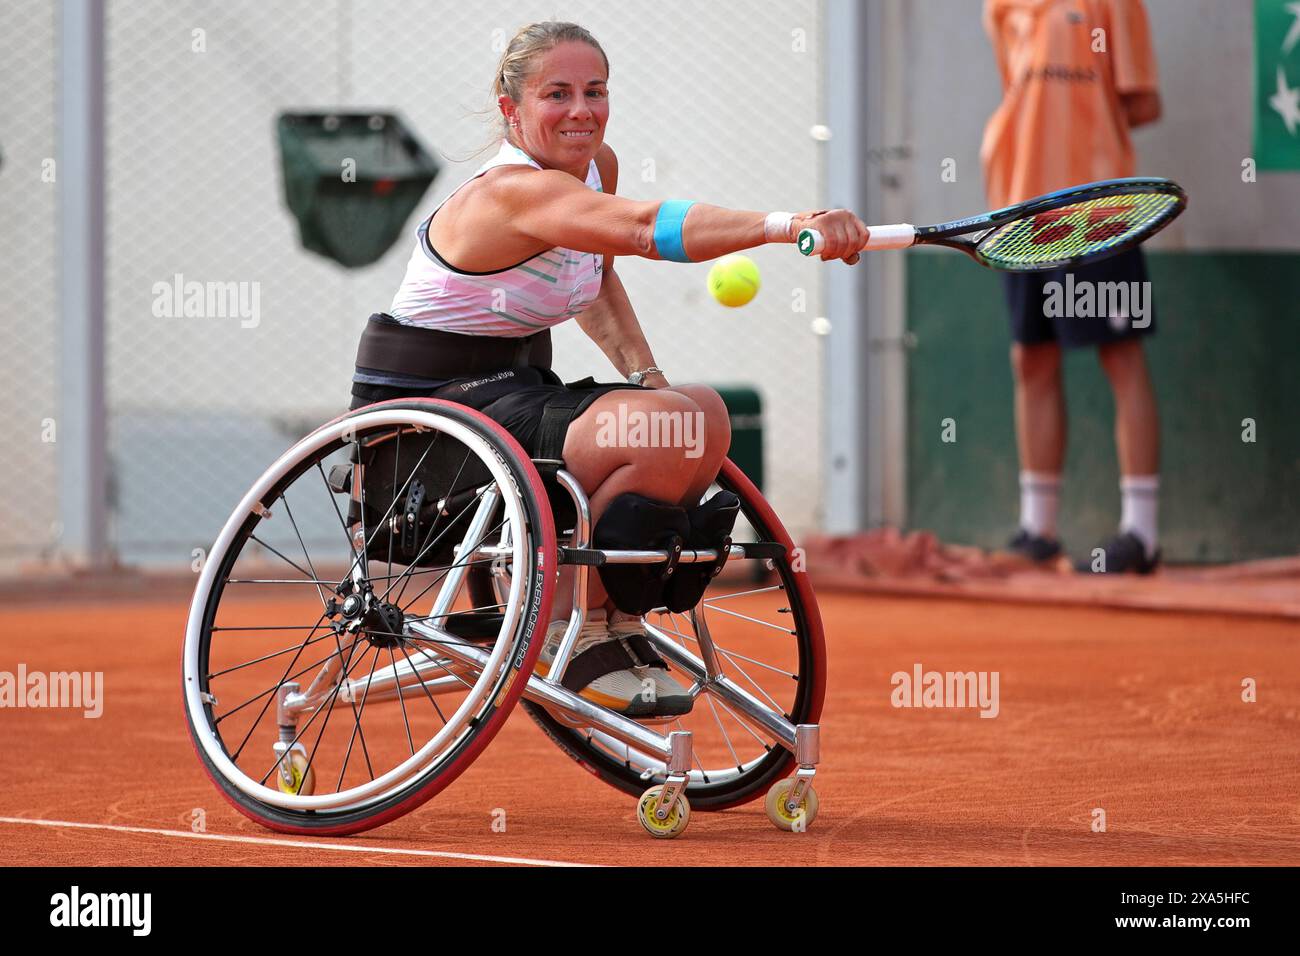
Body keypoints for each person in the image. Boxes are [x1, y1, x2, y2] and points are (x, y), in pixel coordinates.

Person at [348, 21, 868, 716]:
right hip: (430, 429)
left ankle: (616, 622)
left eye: (595, 91)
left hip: (516, 393)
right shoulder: (510, 192)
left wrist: (649, 378)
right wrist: (785, 225)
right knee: (658, 431)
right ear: (512, 109)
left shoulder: (596, 168)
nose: (581, 110)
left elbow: (593, 278)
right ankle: (577, 626)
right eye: (556, 94)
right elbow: (640, 230)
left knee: (699, 415)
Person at [981, 0, 1164, 574]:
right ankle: (1038, 531)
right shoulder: (1001, 7)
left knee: (1121, 355)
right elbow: (1018, 93)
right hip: (1021, 216)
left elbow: (1142, 101)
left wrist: (1078, 127)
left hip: (1100, 210)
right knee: (1030, 360)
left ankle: (1142, 534)